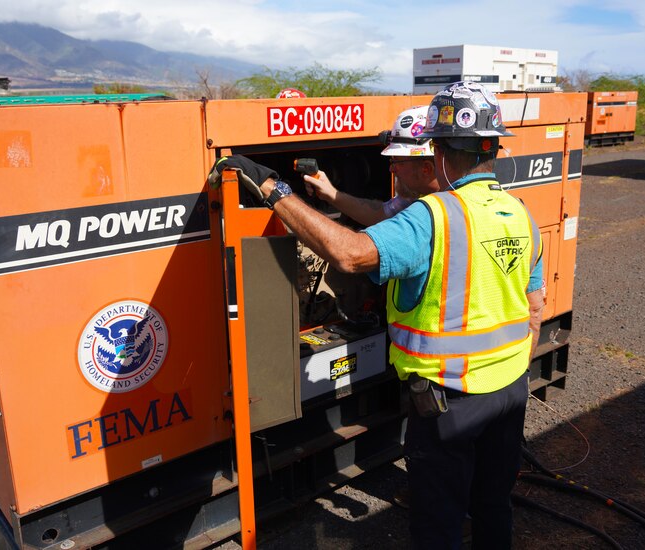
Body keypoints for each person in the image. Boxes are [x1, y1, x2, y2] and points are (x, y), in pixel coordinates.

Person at [208, 81, 544, 549]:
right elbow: (535, 305)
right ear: (493, 147)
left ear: (440, 153)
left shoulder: (433, 216)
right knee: (492, 503)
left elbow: (347, 255)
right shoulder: (519, 212)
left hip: (450, 400)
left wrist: (273, 188)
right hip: (510, 389)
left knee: (438, 519)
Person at [303, 105, 437, 226]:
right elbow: (380, 214)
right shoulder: (416, 196)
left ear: (426, 169)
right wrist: (331, 193)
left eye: (396, 161)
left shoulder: (446, 208)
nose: (391, 169)